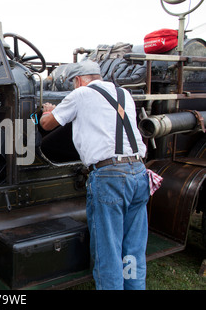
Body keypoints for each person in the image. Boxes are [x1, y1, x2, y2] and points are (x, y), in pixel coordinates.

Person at [39, 60, 150, 290]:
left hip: (110, 178)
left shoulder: (80, 94)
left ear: (78, 81)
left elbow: (48, 125)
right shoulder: (124, 94)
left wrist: (48, 111)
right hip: (139, 173)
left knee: (107, 251)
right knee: (133, 250)